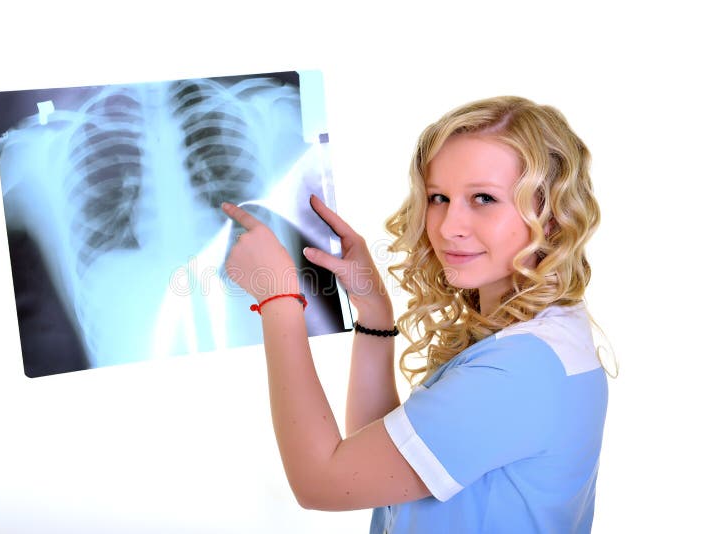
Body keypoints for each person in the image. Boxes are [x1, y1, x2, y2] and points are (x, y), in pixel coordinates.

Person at [221, 95, 609, 533]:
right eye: (438, 197)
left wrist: (277, 302)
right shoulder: (539, 339)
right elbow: (375, 465)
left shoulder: (519, 372)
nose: (447, 226)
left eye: (483, 198)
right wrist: (373, 311)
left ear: (552, 214)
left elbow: (321, 483)